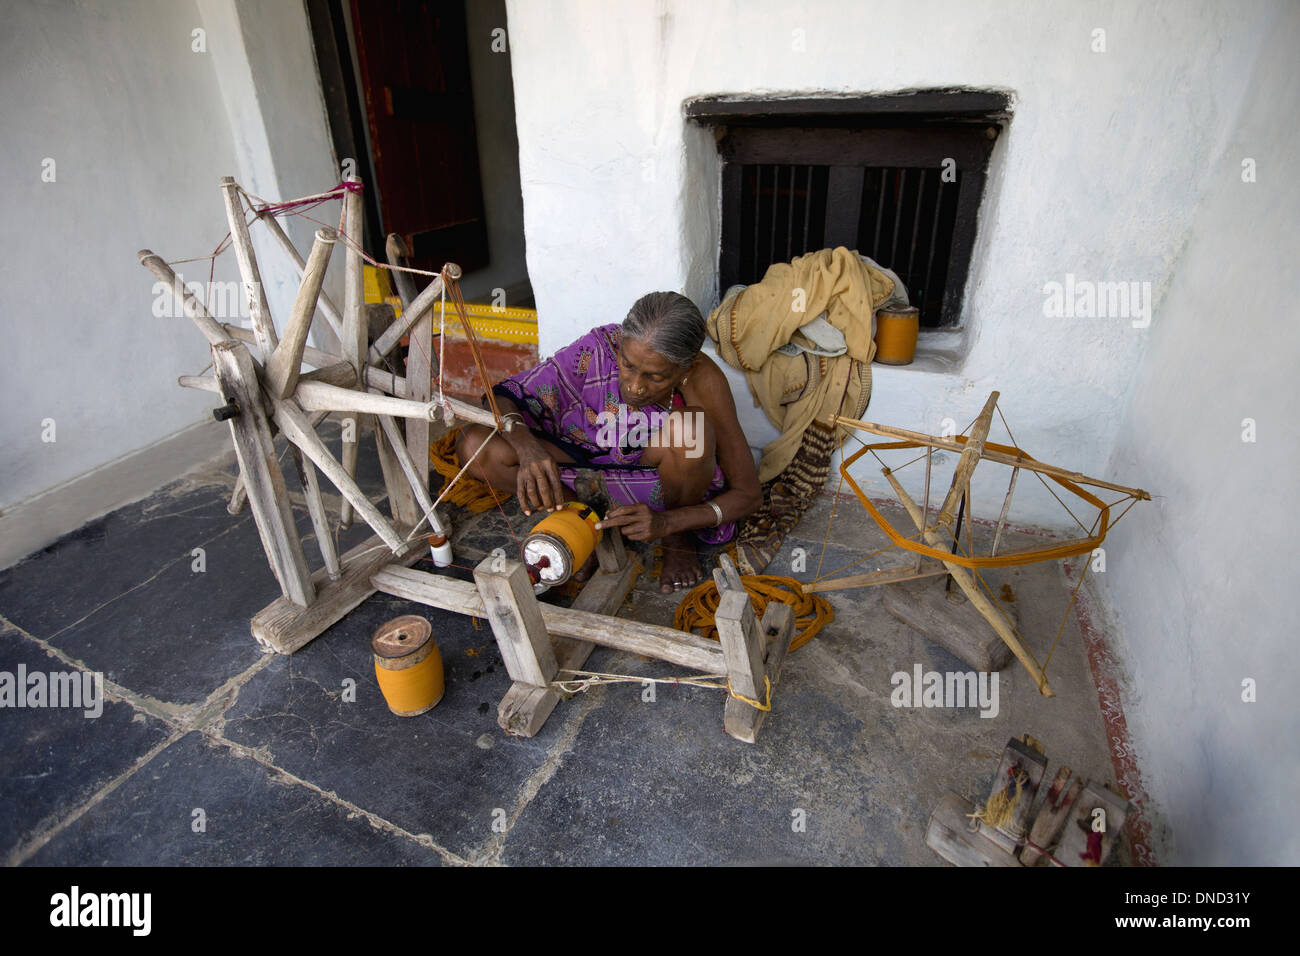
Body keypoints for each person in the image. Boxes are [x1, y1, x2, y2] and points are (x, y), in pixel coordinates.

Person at [456, 291, 761, 593]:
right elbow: (500, 397)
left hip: (658, 487)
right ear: (620, 344)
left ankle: (676, 540)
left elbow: (748, 495)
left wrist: (668, 523)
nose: (635, 386)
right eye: (627, 365)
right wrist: (528, 449)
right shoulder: (599, 347)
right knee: (475, 446)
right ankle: (581, 522)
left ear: (687, 367)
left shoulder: (703, 379)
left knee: (689, 430)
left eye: (655, 377)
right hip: (579, 475)